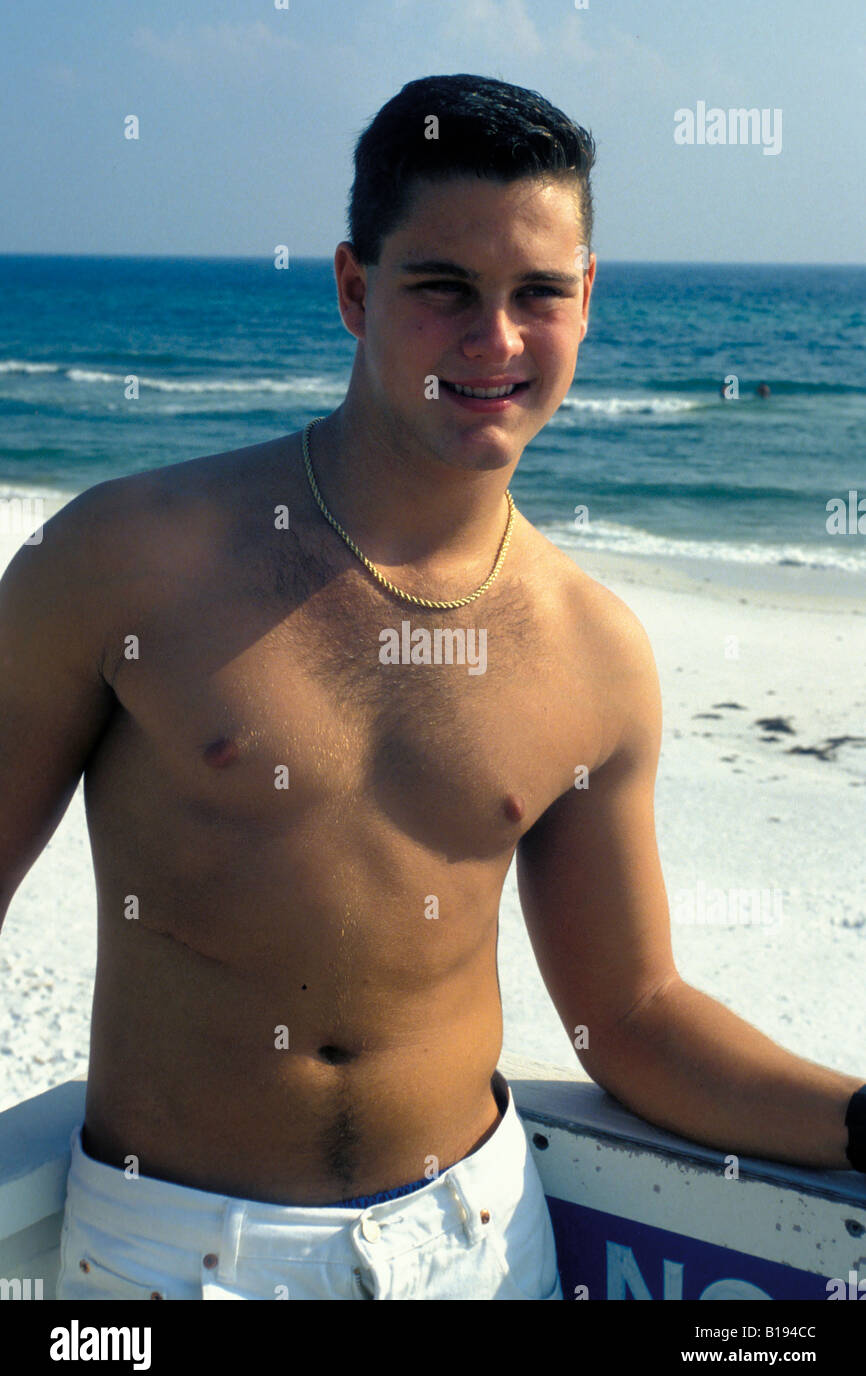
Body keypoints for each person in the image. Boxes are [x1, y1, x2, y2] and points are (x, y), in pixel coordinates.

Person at [1, 74, 863, 1302]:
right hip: (167, 1257)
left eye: (537, 294)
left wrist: (858, 1119)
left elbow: (629, 1012)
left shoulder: (593, 651)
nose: (495, 340)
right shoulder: (124, 560)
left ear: (587, 298)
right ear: (354, 289)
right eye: (443, 288)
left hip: (478, 1244)